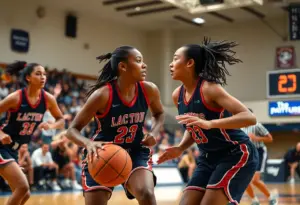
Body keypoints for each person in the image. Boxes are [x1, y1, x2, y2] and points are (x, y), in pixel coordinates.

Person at [157, 38, 259, 205]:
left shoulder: (210, 89)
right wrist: (180, 148)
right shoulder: (177, 95)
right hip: (207, 157)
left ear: (190, 63)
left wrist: (210, 124)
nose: (171, 64)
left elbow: (249, 117)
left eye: (176, 58)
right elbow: (193, 128)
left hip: (235, 152)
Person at [66, 46, 164, 205]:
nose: (144, 65)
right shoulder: (102, 95)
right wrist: (88, 143)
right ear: (123, 66)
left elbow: (159, 114)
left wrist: (154, 132)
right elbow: (71, 130)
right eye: (139, 61)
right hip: (103, 153)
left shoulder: (149, 90)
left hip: (135, 151)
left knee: (146, 194)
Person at [0, 61, 64, 205]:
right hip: (1, 146)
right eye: (38, 73)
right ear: (28, 77)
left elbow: (61, 120)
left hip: (14, 150)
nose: (43, 77)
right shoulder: (16, 97)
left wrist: (51, 124)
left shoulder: (48, 99)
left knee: (25, 194)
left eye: (44, 74)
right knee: (22, 187)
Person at [241, 109, 277, 205]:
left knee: (255, 180)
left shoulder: (257, 125)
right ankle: (254, 200)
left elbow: (270, 138)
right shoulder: (240, 128)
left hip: (260, 152)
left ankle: (271, 197)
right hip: (248, 153)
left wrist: (256, 138)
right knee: (245, 179)